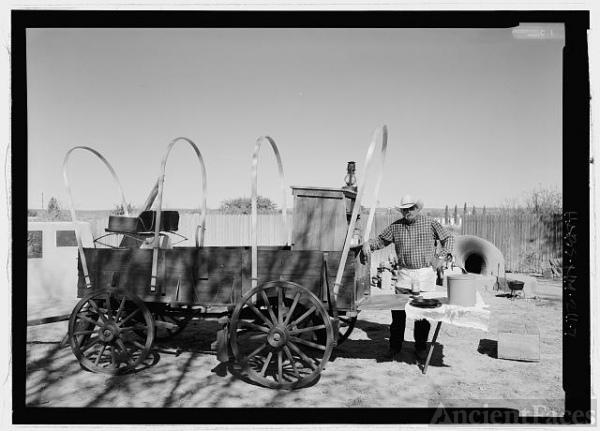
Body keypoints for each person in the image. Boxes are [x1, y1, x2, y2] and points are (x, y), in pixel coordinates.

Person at [361, 194, 454, 361]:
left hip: (425, 274)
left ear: (417, 209)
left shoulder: (430, 223)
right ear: (402, 210)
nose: (408, 212)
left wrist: (441, 257)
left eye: (411, 208)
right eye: (405, 209)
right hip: (404, 274)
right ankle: (395, 347)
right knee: (398, 314)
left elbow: (449, 238)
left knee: (422, 315)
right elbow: (381, 241)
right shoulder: (396, 227)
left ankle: (420, 348)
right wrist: (367, 244)